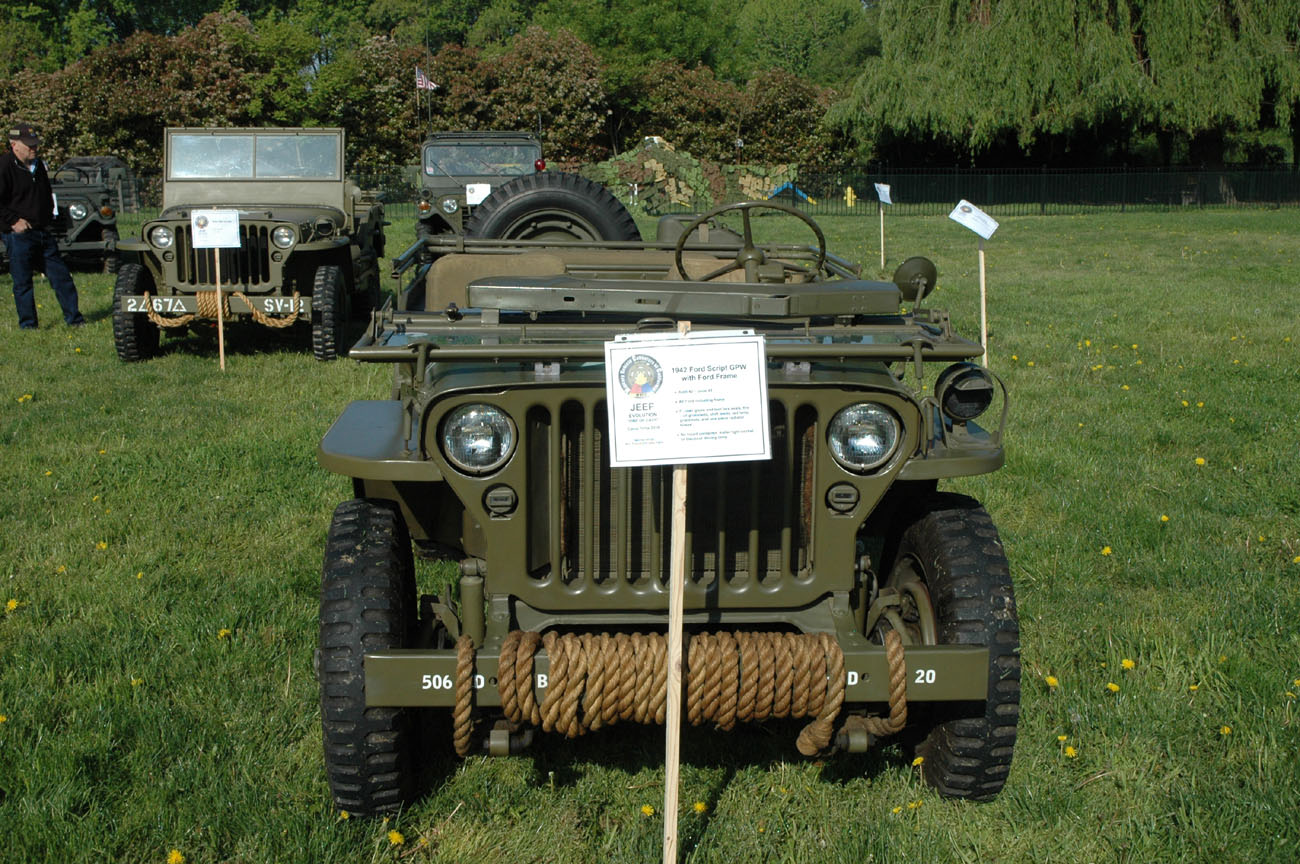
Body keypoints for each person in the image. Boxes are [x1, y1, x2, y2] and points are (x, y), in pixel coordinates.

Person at [1, 122, 85, 328]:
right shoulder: (3, 166)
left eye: (35, 143)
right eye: (28, 144)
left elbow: (46, 195)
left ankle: (75, 320)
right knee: (23, 283)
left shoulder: (38, 166)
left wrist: (48, 218)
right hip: (18, 234)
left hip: (42, 232)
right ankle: (29, 326)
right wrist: (13, 221)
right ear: (14, 145)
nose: (34, 147)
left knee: (61, 277)